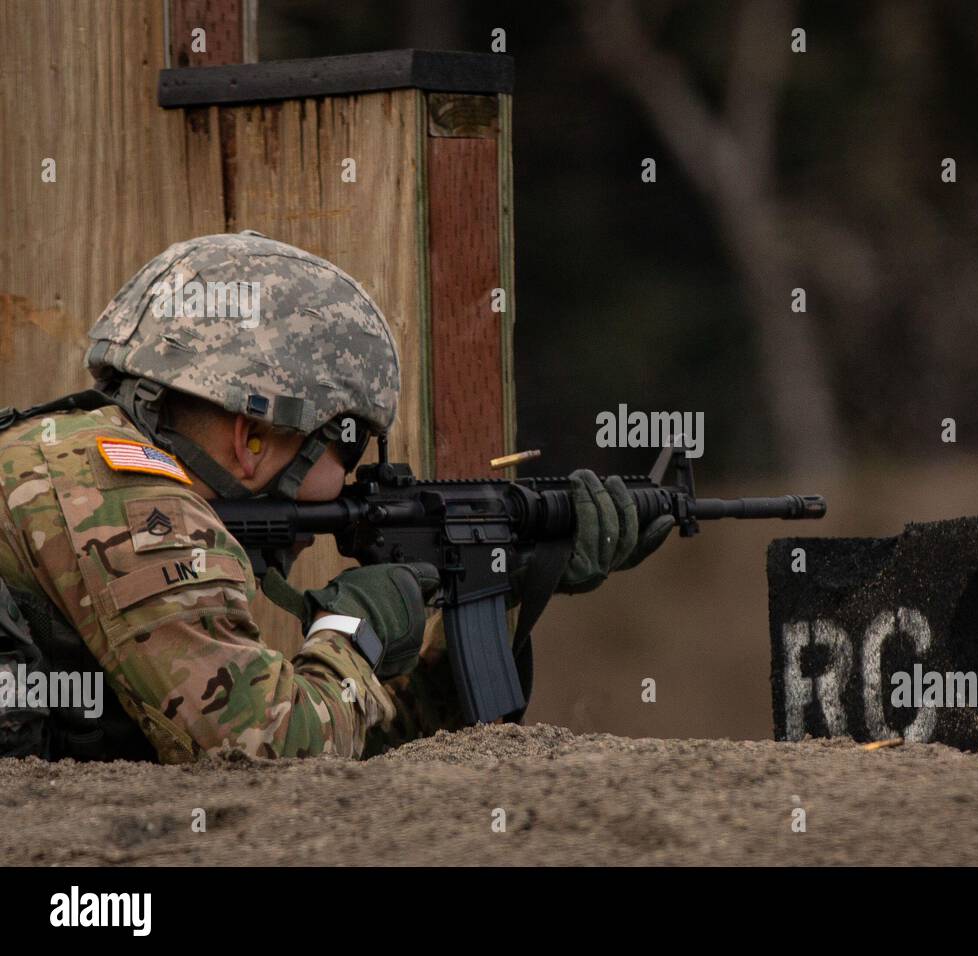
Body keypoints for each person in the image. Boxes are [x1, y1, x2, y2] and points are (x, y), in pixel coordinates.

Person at [0, 232, 671, 762]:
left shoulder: (80, 461)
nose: (347, 484)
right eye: (346, 449)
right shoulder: (120, 492)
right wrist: (353, 630)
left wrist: (511, 585)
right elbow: (269, 754)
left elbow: (354, 751)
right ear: (252, 436)